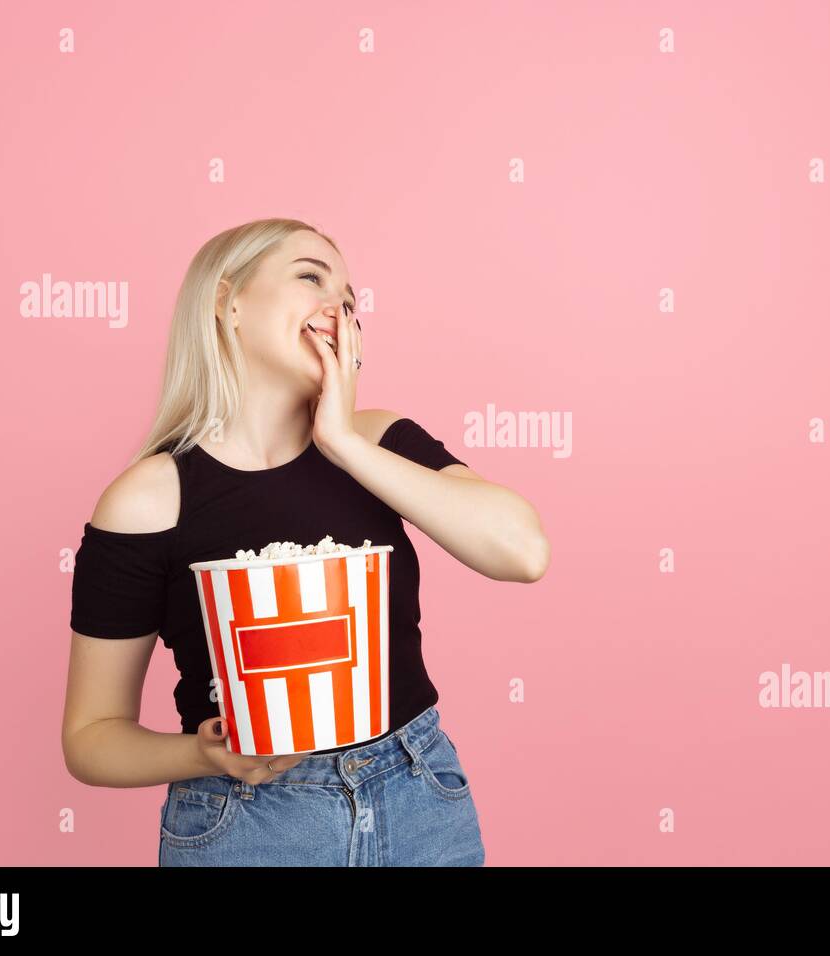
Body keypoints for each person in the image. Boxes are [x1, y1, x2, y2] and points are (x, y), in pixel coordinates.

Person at [60, 218, 550, 866]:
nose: (339, 307)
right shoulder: (150, 498)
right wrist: (205, 754)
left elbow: (524, 552)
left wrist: (343, 442)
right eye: (311, 277)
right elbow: (92, 737)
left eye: (349, 300)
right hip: (247, 821)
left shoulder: (378, 441)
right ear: (226, 302)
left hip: (419, 795)